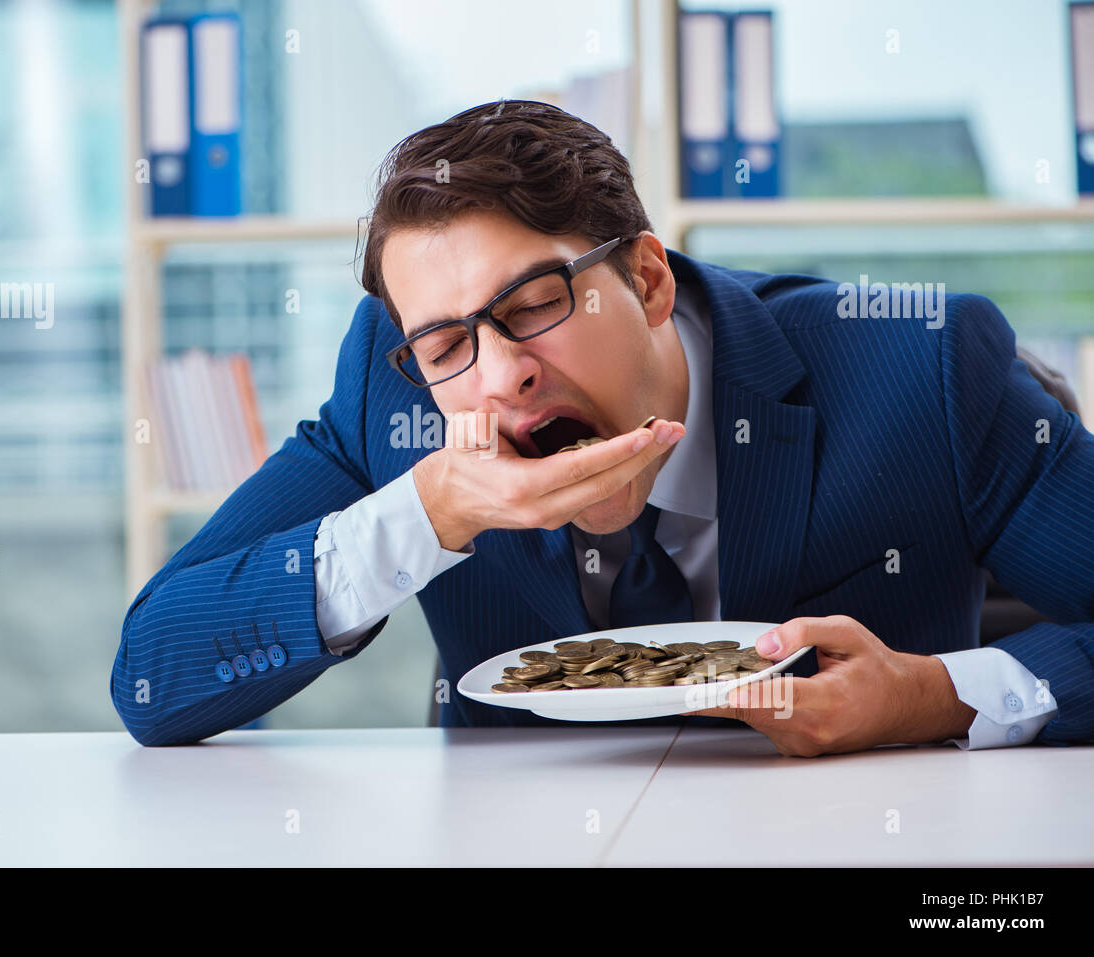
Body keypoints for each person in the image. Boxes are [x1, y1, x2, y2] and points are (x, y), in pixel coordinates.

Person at [111, 100, 1094, 754]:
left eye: (535, 301)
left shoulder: (920, 371)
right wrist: (422, 516)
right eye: (447, 341)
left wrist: (934, 695)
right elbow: (151, 679)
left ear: (649, 280)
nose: (501, 374)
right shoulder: (400, 392)